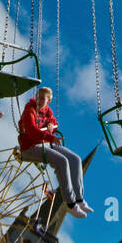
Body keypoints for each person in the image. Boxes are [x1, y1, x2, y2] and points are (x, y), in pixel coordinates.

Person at [18, 87, 92, 218]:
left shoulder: (47, 111)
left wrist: (52, 125)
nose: (39, 100)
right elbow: (31, 130)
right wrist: (51, 137)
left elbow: (53, 121)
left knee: (76, 159)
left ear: (49, 100)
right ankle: (71, 204)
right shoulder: (29, 109)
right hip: (29, 147)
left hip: (45, 143)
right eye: (38, 97)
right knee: (62, 161)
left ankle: (79, 199)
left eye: (42, 98)